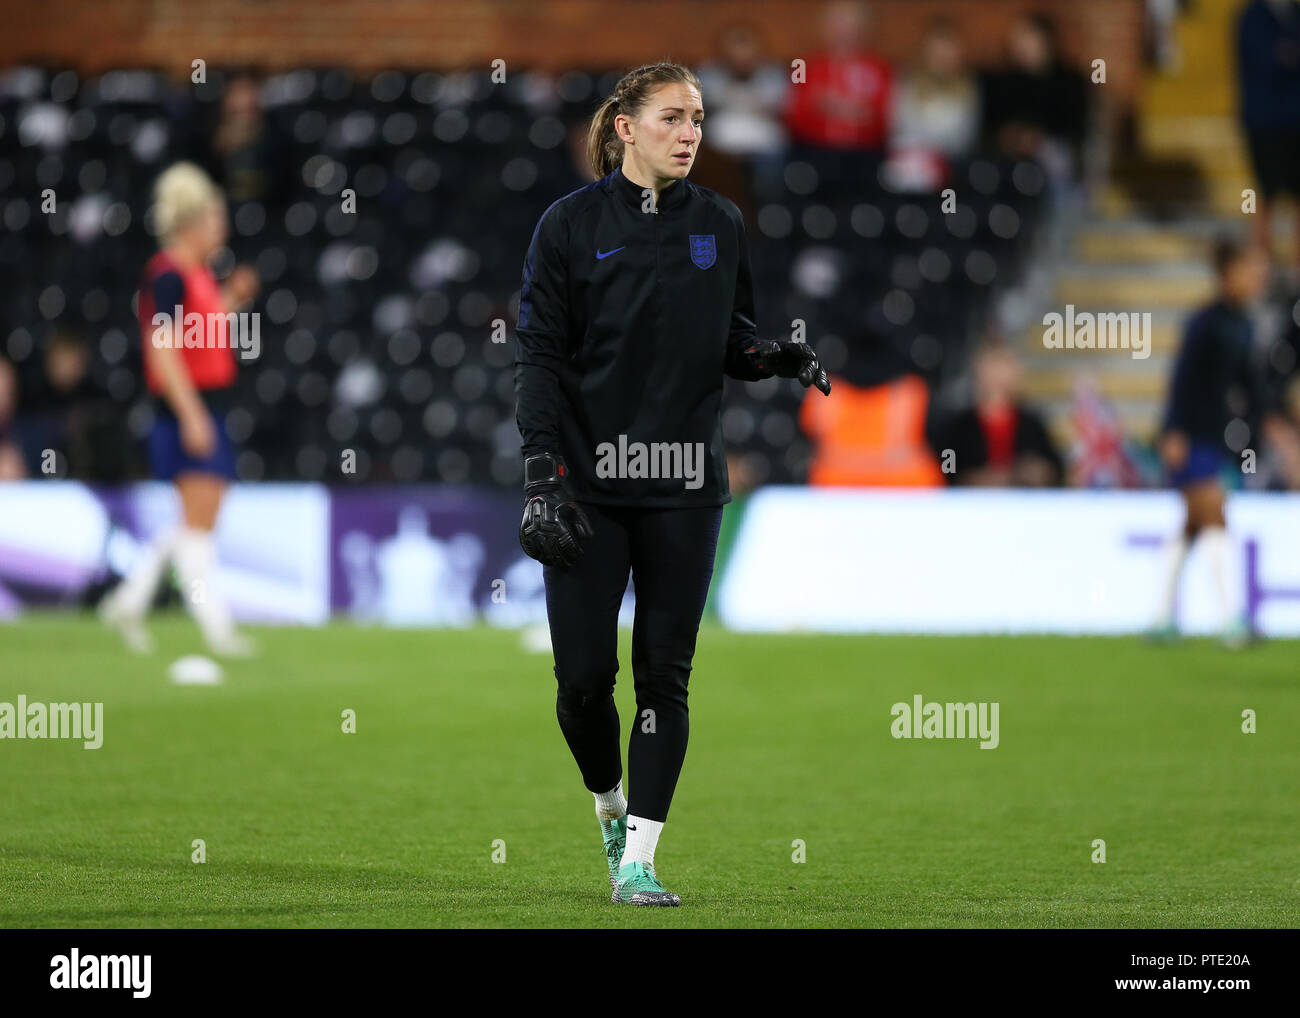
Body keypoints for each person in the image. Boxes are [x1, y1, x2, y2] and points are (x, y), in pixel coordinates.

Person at [513, 62, 830, 907]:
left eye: (697, 117)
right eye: (671, 117)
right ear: (625, 126)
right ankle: (607, 801)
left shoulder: (721, 223)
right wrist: (543, 475)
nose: (691, 133)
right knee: (582, 682)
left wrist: (774, 358)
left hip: (687, 485)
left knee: (665, 676)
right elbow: (539, 355)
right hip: (591, 485)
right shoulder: (569, 227)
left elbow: (734, 338)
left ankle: (641, 858)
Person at [99, 162, 259, 657]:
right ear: (191, 224)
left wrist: (233, 300)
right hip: (184, 407)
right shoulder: (166, 275)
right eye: (214, 220)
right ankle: (216, 626)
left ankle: (128, 602)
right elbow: (161, 349)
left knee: (196, 520)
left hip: (206, 401)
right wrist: (190, 415)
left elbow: (202, 335)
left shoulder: (197, 275)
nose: (222, 230)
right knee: (199, 521)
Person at [1151, 236, 1288, 644]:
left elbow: (1252, 387)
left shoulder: (1243, 326)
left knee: (1192, 526)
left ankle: (1161, 619)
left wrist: (1275, 424)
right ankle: (1231, 619)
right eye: (1249, 270)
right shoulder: (1205, 323)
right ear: (1227, 275)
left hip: (1217, 438)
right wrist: (1172, 432)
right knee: (1214, 516)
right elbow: (1181, 381)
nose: (1257, 278)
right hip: (1192, 437)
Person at [927, 343, 1063, 487]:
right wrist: (972, 479)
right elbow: (945, 468)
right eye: (992, 364)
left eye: (1003, 364)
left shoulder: (1032, 425)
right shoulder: (957, 427)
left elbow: (1054, 467)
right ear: (978, 370)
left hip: (1022, 505)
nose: (997, 374)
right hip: (971, 505)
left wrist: (1038, 471)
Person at [1237, 0, 1300, 270]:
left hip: (1295, 121)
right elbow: (1265, 58)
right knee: (1265, 194)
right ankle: (1262, 264)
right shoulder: (1252, 17)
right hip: (1264, 123)